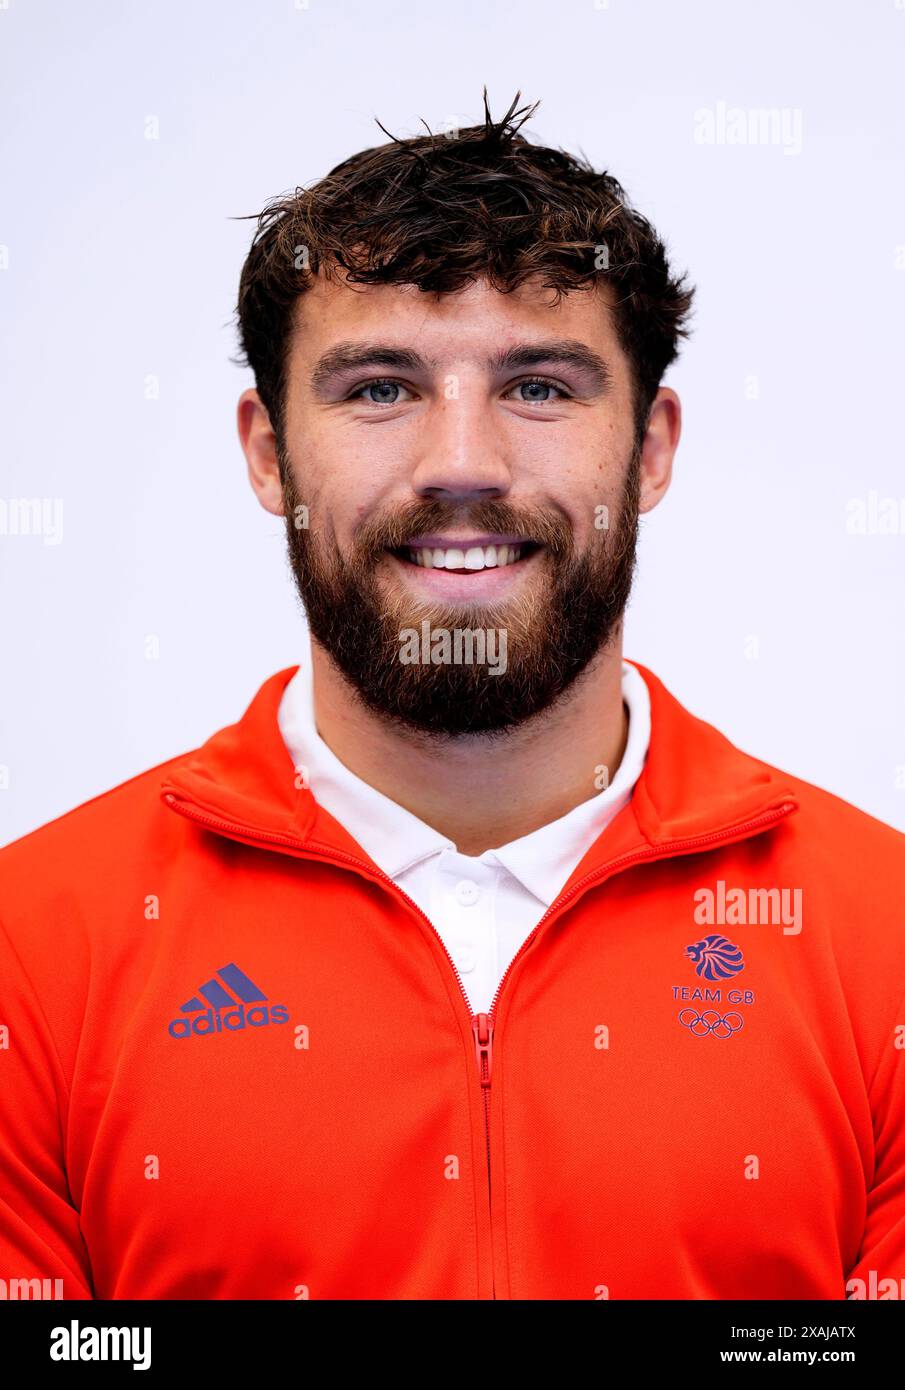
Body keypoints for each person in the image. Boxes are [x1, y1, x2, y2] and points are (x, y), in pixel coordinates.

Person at [1, 92, 903, 1302]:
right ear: (270, 455)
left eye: (537, 386)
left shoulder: (878, 938)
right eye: (379, 388)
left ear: (648, 451)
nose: (461, 462)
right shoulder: (32, 948)